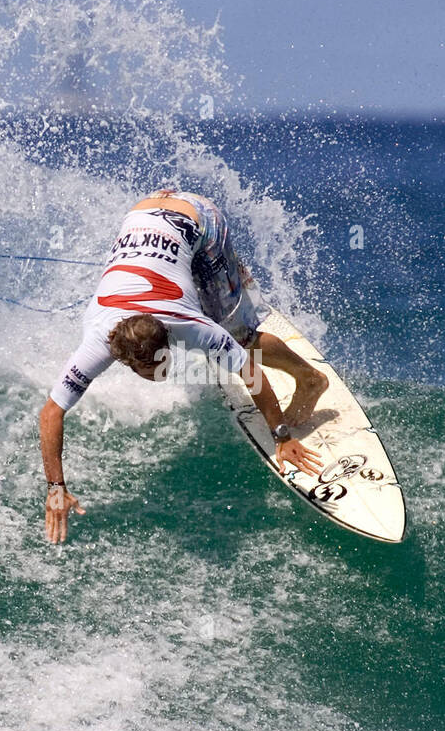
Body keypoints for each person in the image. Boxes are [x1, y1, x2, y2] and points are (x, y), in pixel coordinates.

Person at [39, 189, 329, 543]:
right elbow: (51, 412)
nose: (163, 372)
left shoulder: (188, 325)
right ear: (124, 361)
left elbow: (248, 371)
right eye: (153, 370)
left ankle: (309, 378)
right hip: (143, 214)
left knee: (240, 338)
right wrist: (56, 489)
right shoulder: (97, 342)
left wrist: (281, 436)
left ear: (168, 336)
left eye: (164, 360)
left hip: (200, 220)